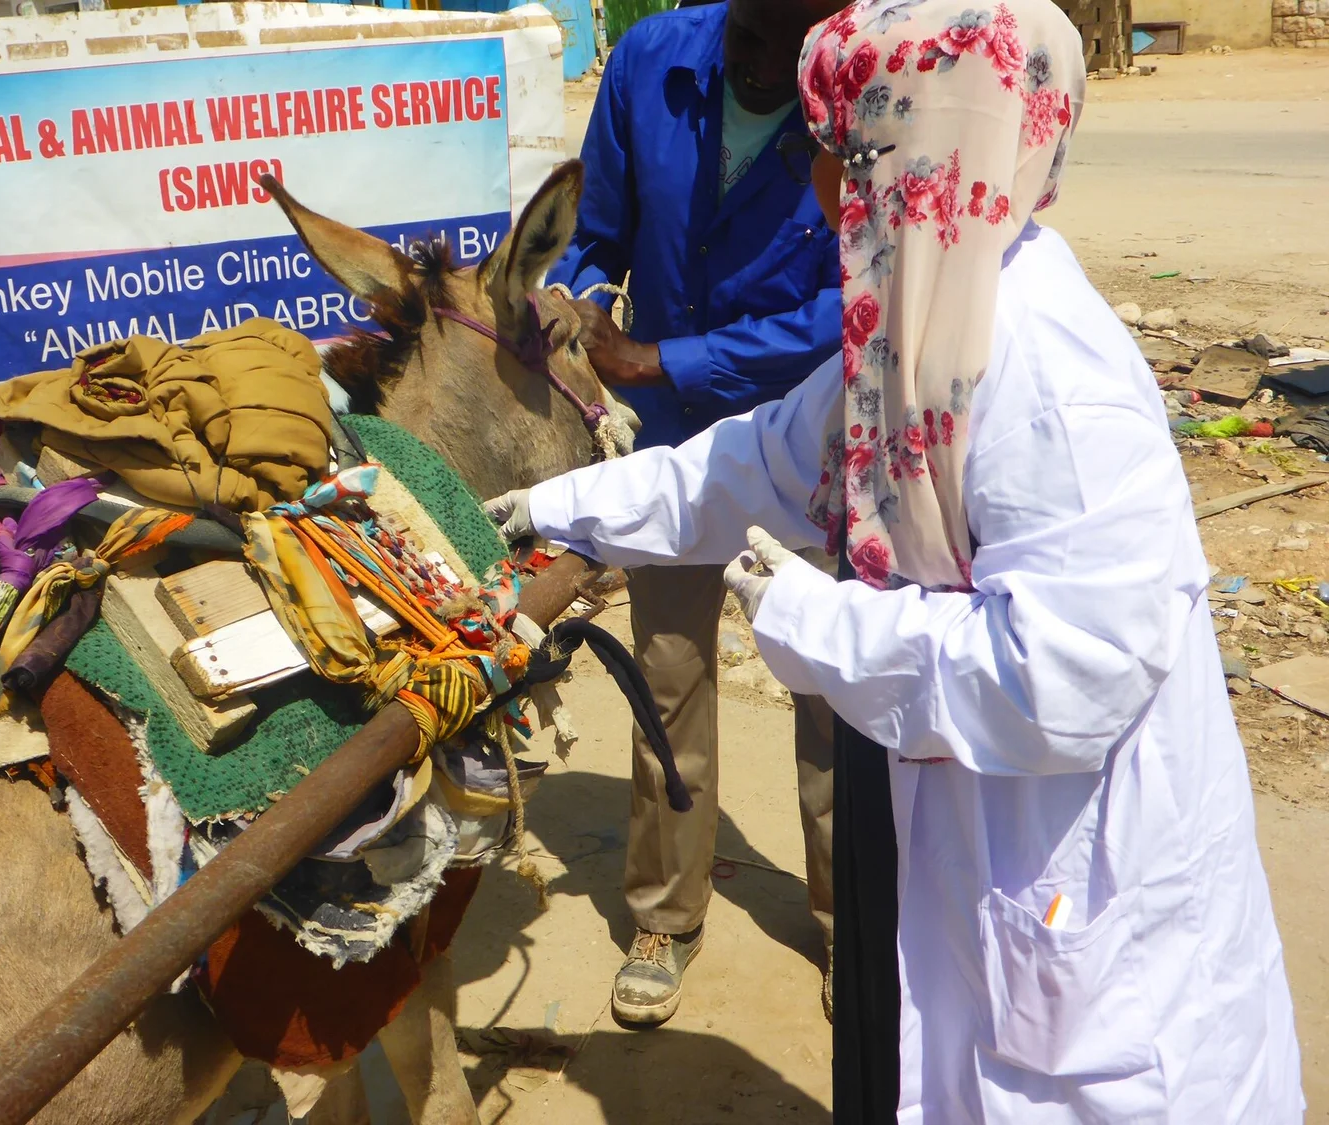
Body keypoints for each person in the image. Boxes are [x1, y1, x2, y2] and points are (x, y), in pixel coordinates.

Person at [489, 0, 1305, 1118]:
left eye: (843, 150)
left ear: (928, 154)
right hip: (965, 842)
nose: (820, 184)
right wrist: (549, 508)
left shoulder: (1047, 376)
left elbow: (1064, 680)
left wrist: (817, 620)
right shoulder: (916, 321)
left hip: (1089, 922)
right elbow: (749, 464)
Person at [542, 0, 848, 1028]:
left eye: (789, 45)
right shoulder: (647, 64)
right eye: (748, 37)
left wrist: (666, 357)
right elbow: (597, 238)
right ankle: (666, 916)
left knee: (827, 688)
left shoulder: (863, 83)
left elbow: (848, 302)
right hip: (668, 443)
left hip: (804, 439)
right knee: (666, 680)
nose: (763, 68)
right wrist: (583, 299)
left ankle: (853, 922)